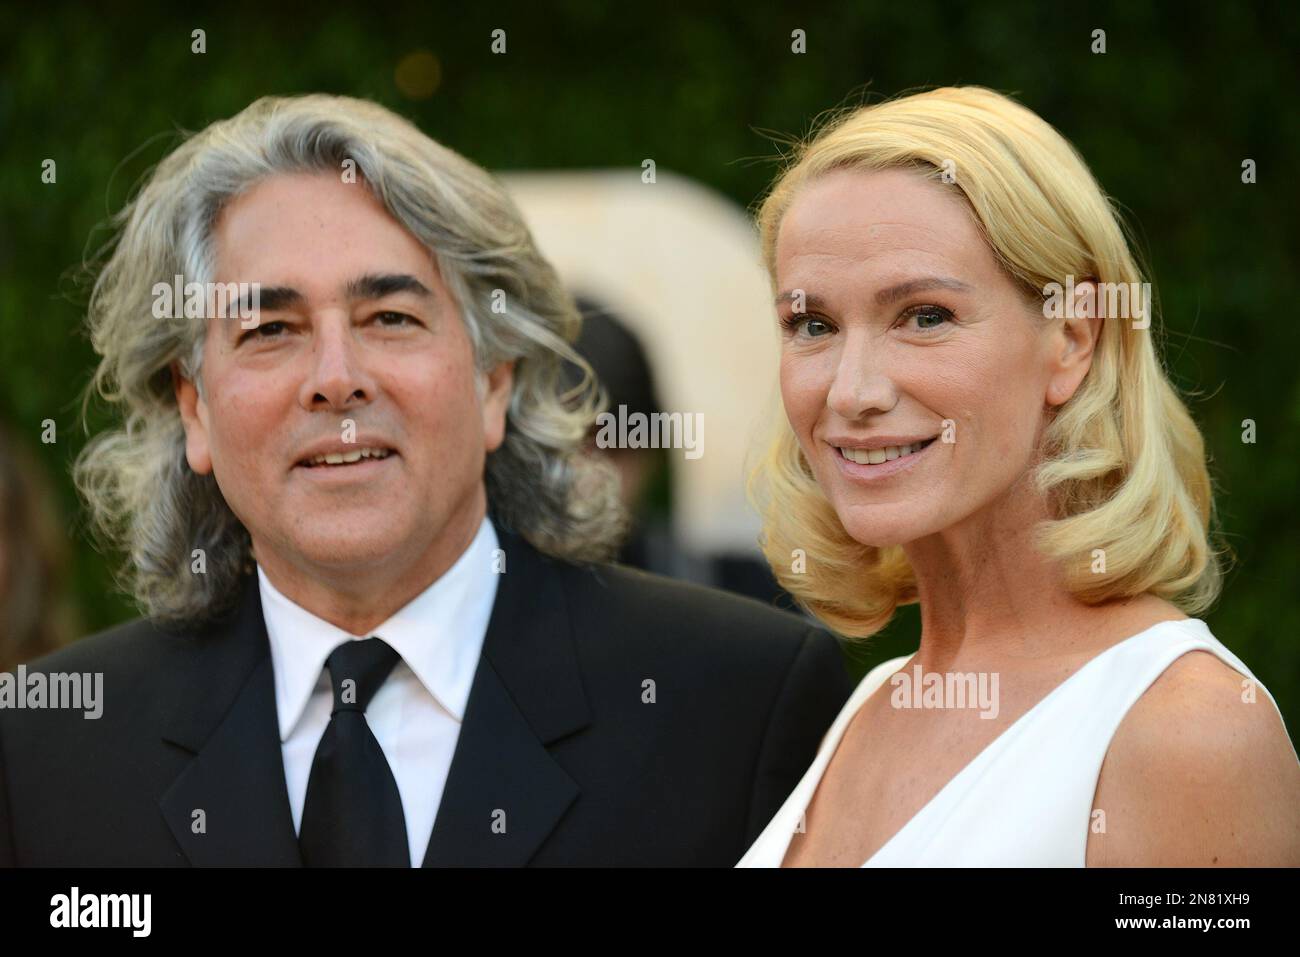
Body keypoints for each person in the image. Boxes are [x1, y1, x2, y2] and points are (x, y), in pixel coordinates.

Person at [0, 93, 851, 867]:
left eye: (391, 318)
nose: (336, 377)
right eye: (270, 328)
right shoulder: (48, 746)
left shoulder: (736, 706)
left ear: (494, 383)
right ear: (194, 411)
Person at [738, 86, 1300, 867]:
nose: (851, 390)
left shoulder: (1184, 729)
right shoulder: (874, 703)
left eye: (924, 315)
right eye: (813, 325)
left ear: (1072, 339)